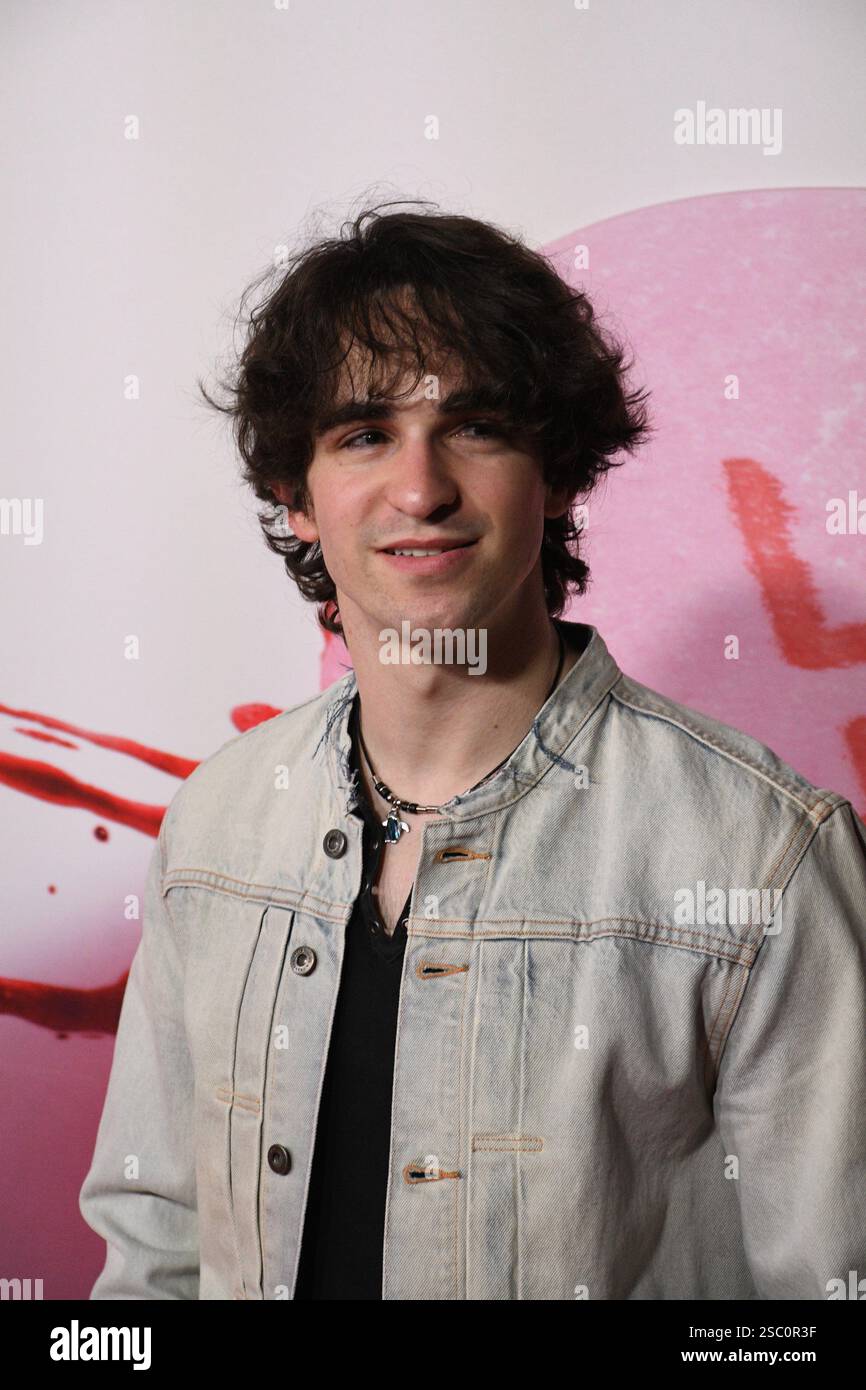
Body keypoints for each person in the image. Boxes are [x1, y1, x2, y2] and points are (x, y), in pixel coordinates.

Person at [80, 201, 866, 1300]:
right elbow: (154, 1248)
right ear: (292, 497)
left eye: (476, 427)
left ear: (559, 477)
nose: (420, 488)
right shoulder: (218, 822)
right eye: (363, 433)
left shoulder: (760, 854)